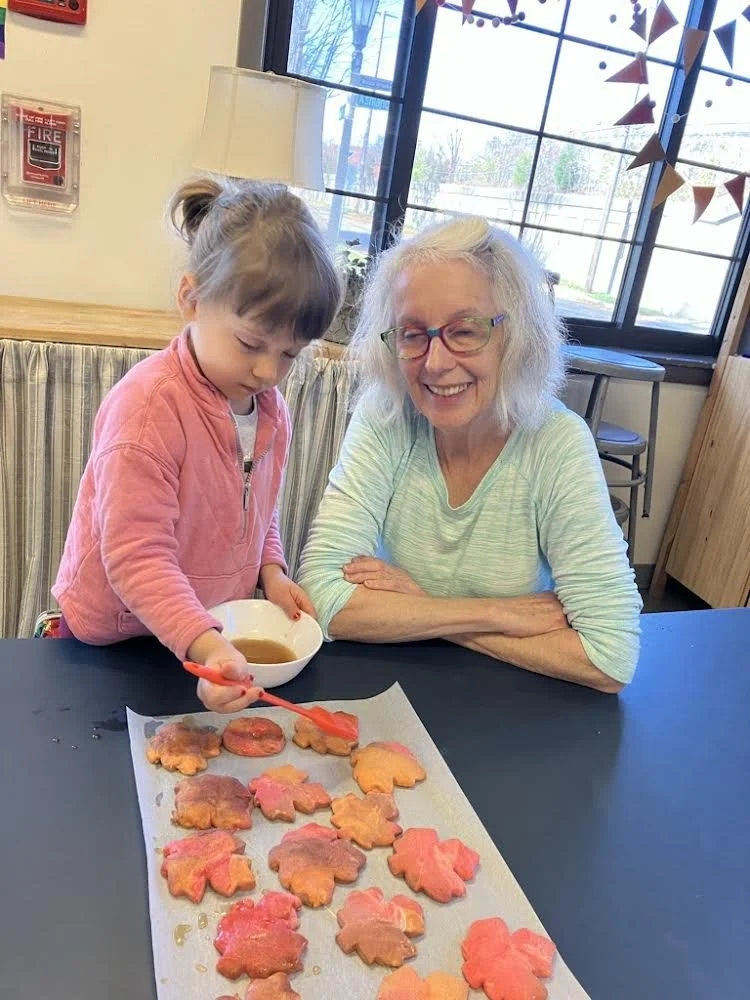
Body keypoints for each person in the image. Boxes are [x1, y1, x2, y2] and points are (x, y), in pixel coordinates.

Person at [298, 217, 642, 693]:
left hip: (509, 707)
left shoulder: (557, 442)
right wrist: (492, 614)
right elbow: (322, 595)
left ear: (514, 335)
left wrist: (423, 608)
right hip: (384, 687)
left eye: (464, 331)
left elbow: (610, 657)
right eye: (412, 334)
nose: (436, 364)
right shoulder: (386, 415)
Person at [53, 177, 340, 711]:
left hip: (208, 633)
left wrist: (271, 572)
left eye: (290, 355)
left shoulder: (271, 409)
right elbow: (137, 556)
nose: (267, 371)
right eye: (251, 344)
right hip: (118, 642)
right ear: (191, 299)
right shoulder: (147, 408)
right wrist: (207, 644)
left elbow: (258, 504)